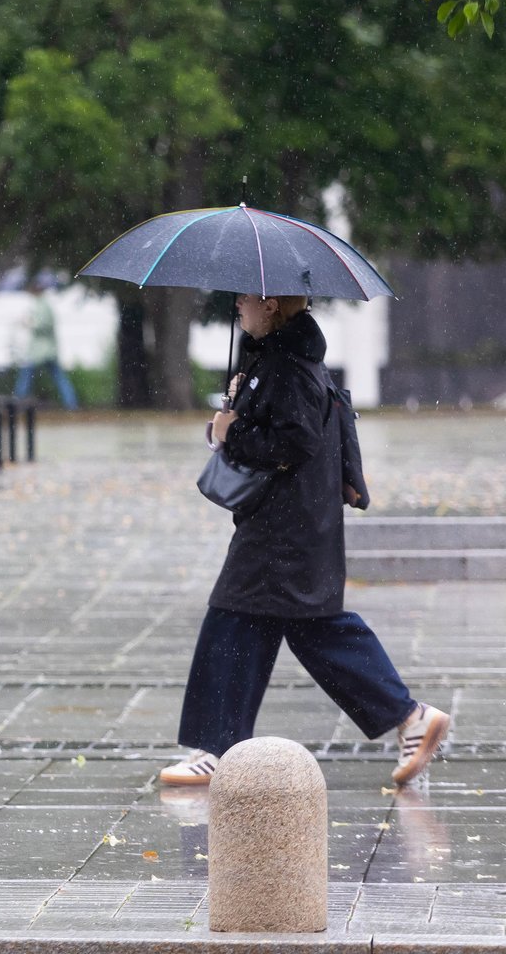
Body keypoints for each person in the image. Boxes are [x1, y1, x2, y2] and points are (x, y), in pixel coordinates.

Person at [160, 294, 450, 787]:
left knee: (237, 619)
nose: (237, 306)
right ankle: (409, 717)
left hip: (283, 530)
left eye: (245, 299)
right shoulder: (286, 360)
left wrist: (232, 433)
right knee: (307, 628)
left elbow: (292, 444)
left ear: (270, 305)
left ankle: (217, 748)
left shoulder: (287, 365)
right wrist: (231, 418)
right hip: (296, 524)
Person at [11, 272, 78, 410]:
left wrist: (29, 323)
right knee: (57, 377)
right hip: (45, 350)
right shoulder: (41, 304)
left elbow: (43, 325)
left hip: (41, 350)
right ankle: (71, 404)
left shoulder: (43, 305)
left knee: (27, 375)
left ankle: (18, 403)